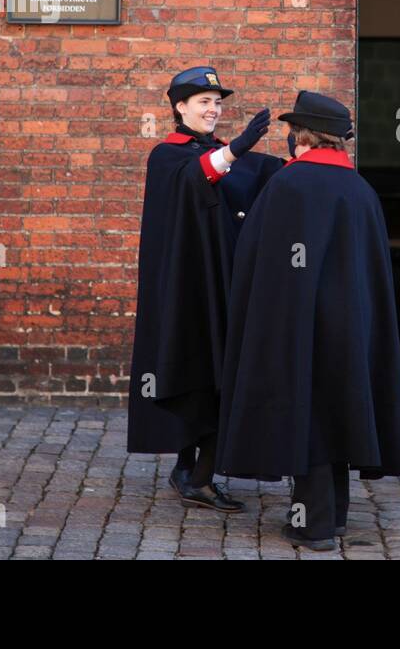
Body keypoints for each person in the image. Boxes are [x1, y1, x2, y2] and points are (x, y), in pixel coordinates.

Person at [215, 91, 400, 551]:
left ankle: (314, 524)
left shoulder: (288, 186)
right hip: (352, 326)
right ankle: (335, 514)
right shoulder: (360, 190)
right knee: (338, 406)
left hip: (298, 324)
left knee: (309, 415)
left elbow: (255, 256)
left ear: (300, 135)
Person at [126, 66, 282, 512]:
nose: (214, 110)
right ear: (179, 107)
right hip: (184, 289)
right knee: (198, 368)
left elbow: (260, 176)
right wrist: (237, 148)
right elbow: (198, 177)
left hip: (221, 280)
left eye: (218, 103)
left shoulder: (218, 152)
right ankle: (196, 475)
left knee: (214, 371)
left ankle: (193, 471)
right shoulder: (168, 156)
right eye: (204, 102)